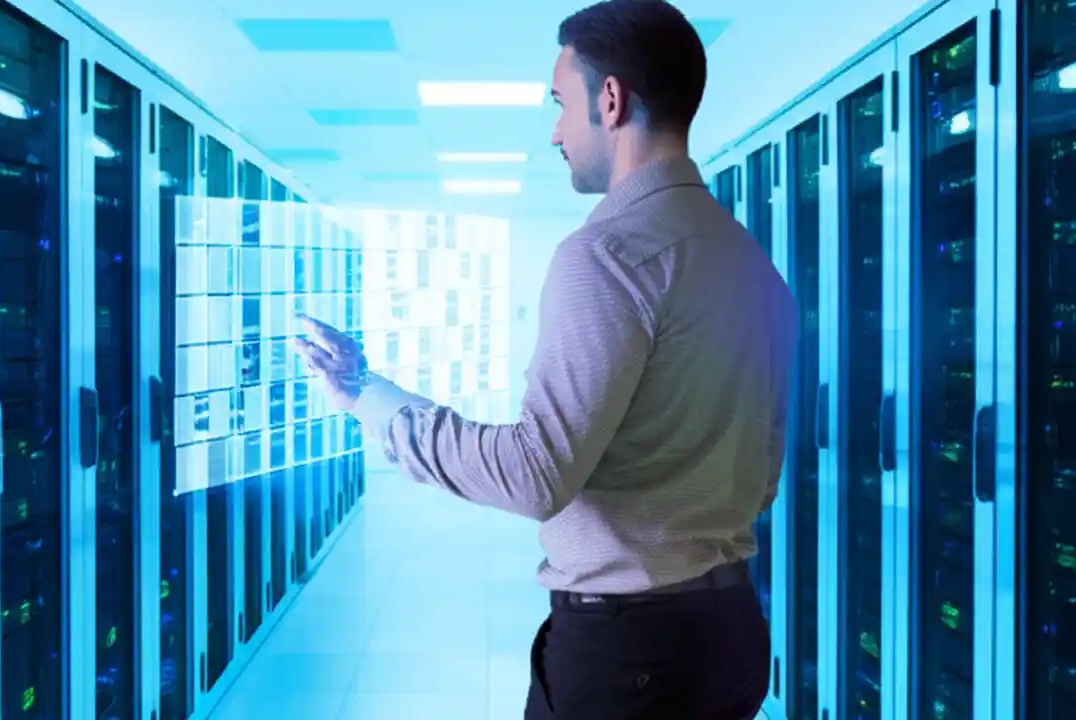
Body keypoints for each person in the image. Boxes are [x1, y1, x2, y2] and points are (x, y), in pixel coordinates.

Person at [293, 0, 797, 717]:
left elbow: (535, 476)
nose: (556, 131)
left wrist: (368, 398)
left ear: (612, 101)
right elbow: (763, 467)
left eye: (561, 103)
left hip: (632, 661)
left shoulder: (608, 255)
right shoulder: (751, 263)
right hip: (731, 637)